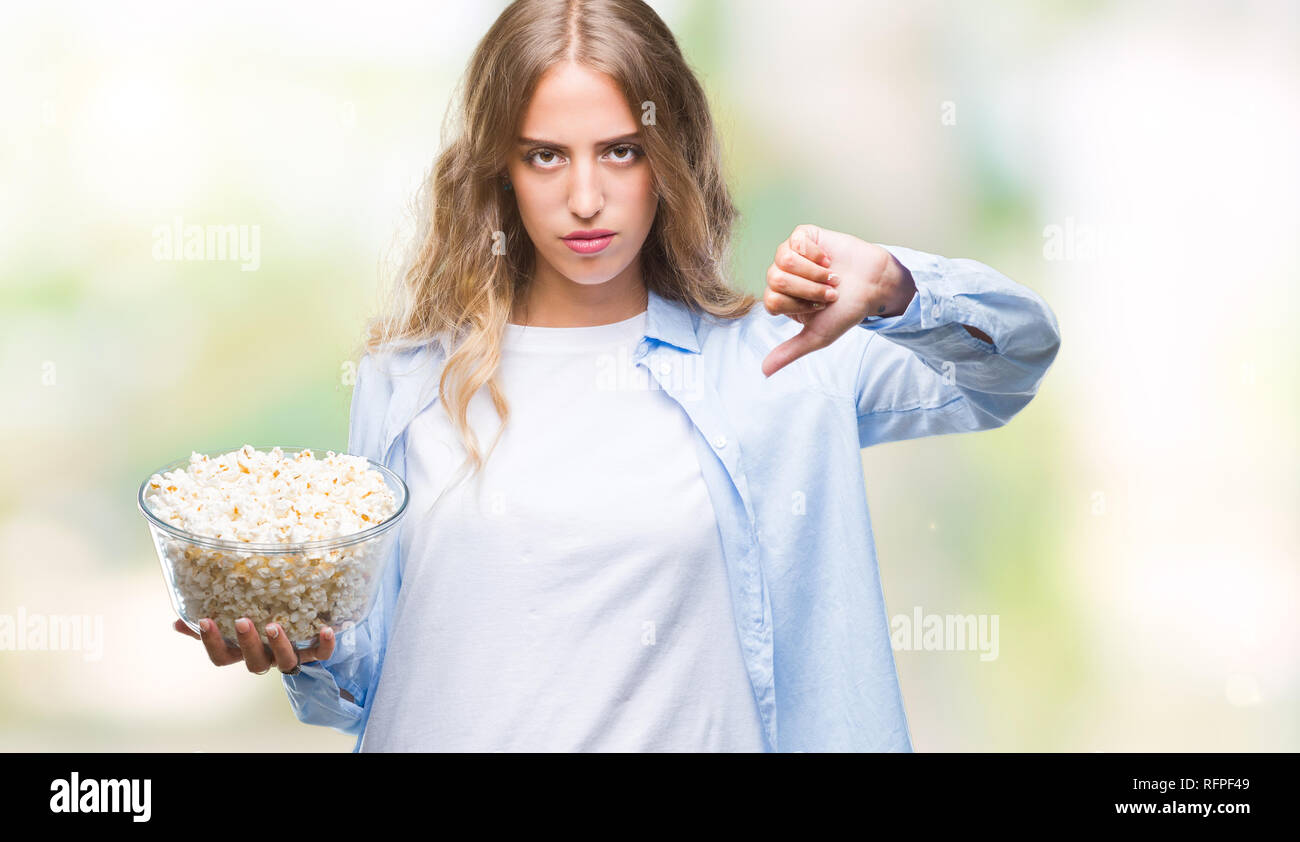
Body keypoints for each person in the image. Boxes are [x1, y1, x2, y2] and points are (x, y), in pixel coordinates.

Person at [176, 0, 1060, 752]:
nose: (587, 198)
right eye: (546, 155)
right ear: (498, 171)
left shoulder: (780, 360)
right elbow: (361, 680)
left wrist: (896, 286)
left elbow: (1013, 361)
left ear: (668, 156)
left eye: (621, 151)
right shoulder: (408, 382)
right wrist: (301, 645)